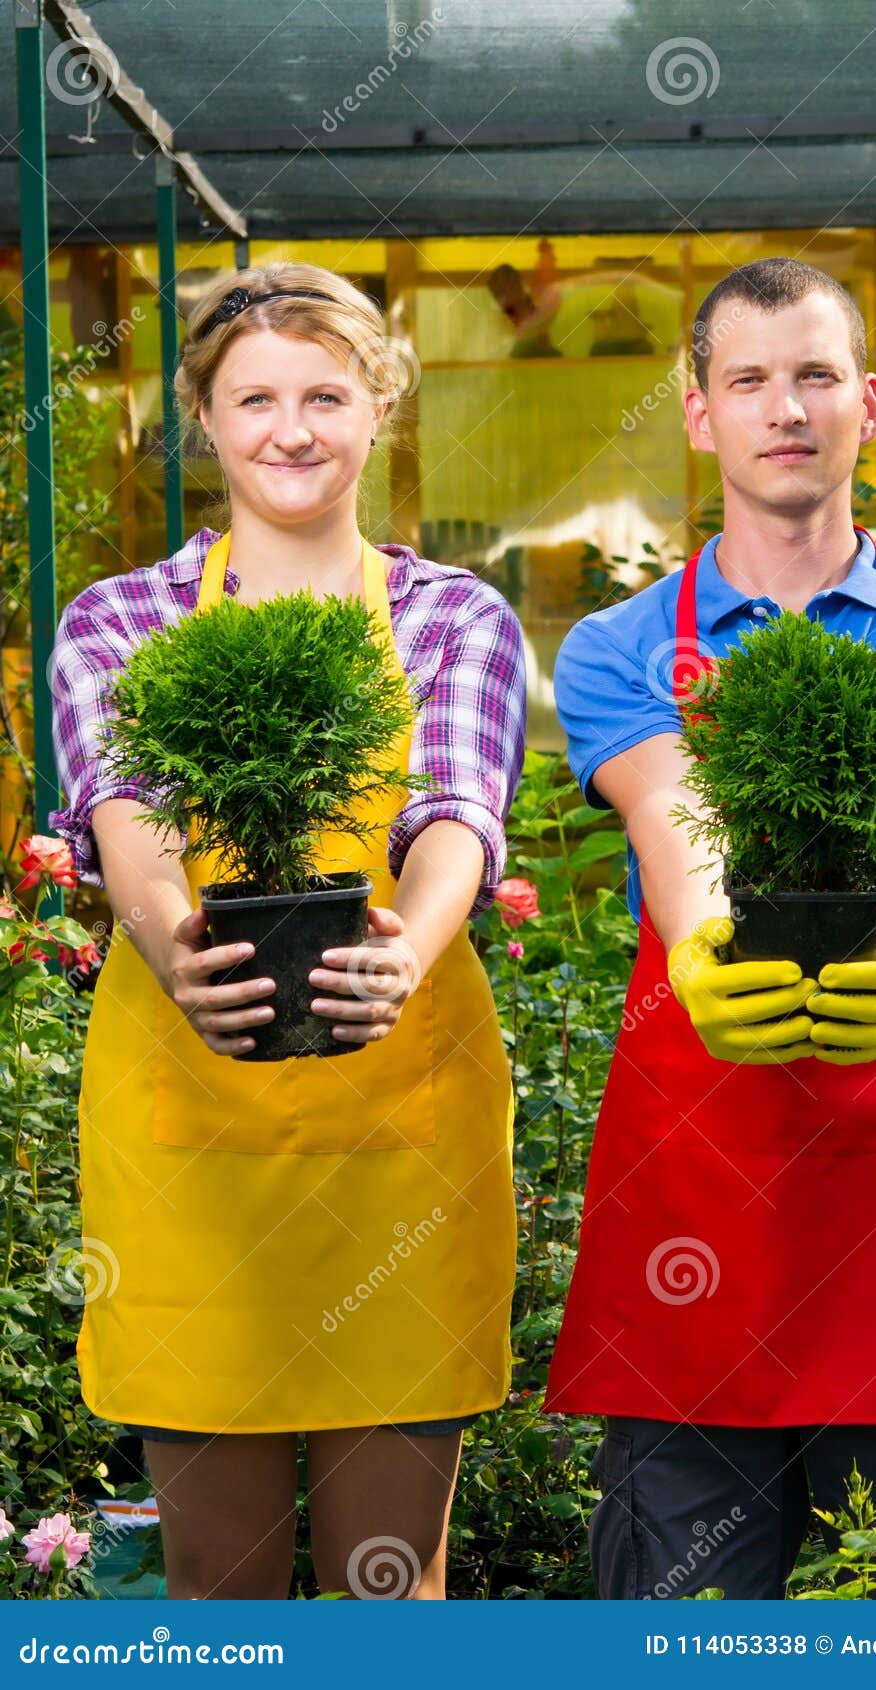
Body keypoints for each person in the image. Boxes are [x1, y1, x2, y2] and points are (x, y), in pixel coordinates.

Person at [543, 257, 876, 1600]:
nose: (787, 408)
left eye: (816, 375)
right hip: (698, 1189)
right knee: (678, 1635)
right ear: (701, 415)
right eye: (749, 379)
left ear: (867, 404)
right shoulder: (619, 646)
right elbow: (675, 816)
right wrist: (707, 947)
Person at [48, 263, 526, 1600]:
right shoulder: (120, 621)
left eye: (326, 395)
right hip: (189, 1149)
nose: (292, 429)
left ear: (381, 404)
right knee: (218, 1587)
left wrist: (407, 947)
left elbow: (455, 812)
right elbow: (128, 817)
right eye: (255, 399)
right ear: (205, 418)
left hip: (403, 1136)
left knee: (394, 1586)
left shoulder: (453, 617)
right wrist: (172, 946)